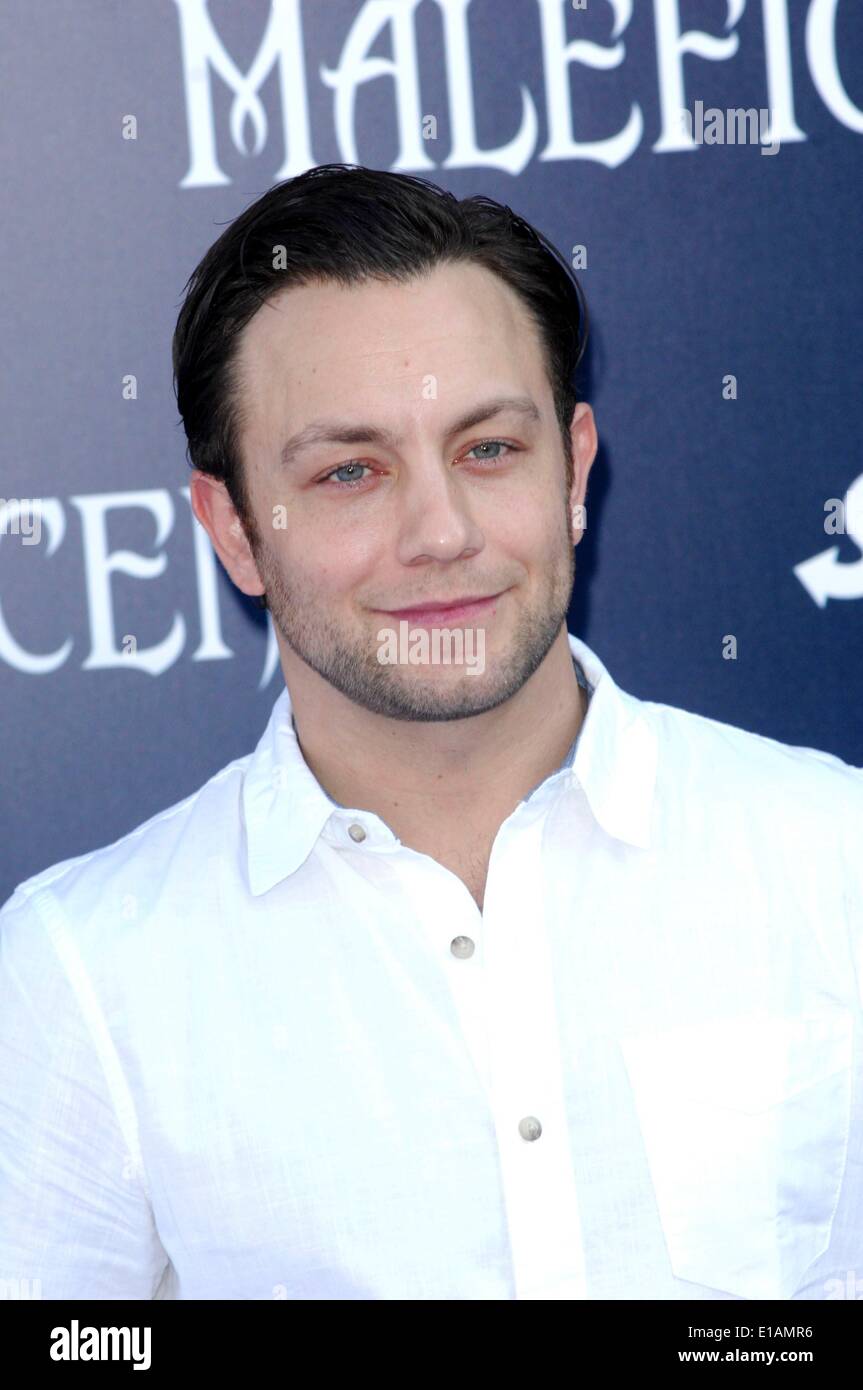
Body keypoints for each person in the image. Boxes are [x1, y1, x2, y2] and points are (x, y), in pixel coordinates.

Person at [1, 164, 861, 1302]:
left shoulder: (830, 856)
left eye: (488, 449)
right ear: (234, 530)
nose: (440, 532)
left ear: (575, 469)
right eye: (350, 471)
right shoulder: (80, 973)